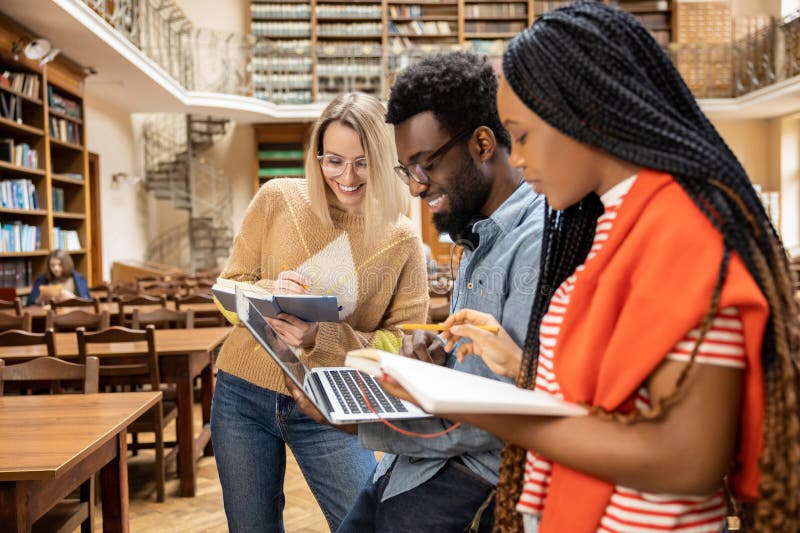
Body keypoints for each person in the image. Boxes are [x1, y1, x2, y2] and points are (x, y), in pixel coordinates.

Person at [415, 3, 800, 532]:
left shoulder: (684, 232)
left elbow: (689, 459)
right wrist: (520, 365)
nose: (517, 159)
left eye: (521, 135)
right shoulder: (608, 223)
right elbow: (610, 395)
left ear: (585, 113)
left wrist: (487, 409)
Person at [288, 51, 546, 532]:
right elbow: (479, 366)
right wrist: (436, 358)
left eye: (424, 166)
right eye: (408, 170)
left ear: (483, 143)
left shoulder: (535, 244)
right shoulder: (476, 232)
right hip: (417, 466)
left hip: (475, 481)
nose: (415, 188)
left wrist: (359, 421)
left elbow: (500, 413)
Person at [210, 92, 430, 533]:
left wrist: (320, 339)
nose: (347, 177)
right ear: (317, 157)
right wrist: (270, 292)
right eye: (334, 160)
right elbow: (227, 289)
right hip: (242, 394)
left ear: (386, 159)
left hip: (335, 403)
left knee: (367, 525)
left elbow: (405, 343)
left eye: (362, 162)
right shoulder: (278, 198)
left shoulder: (403, 238)